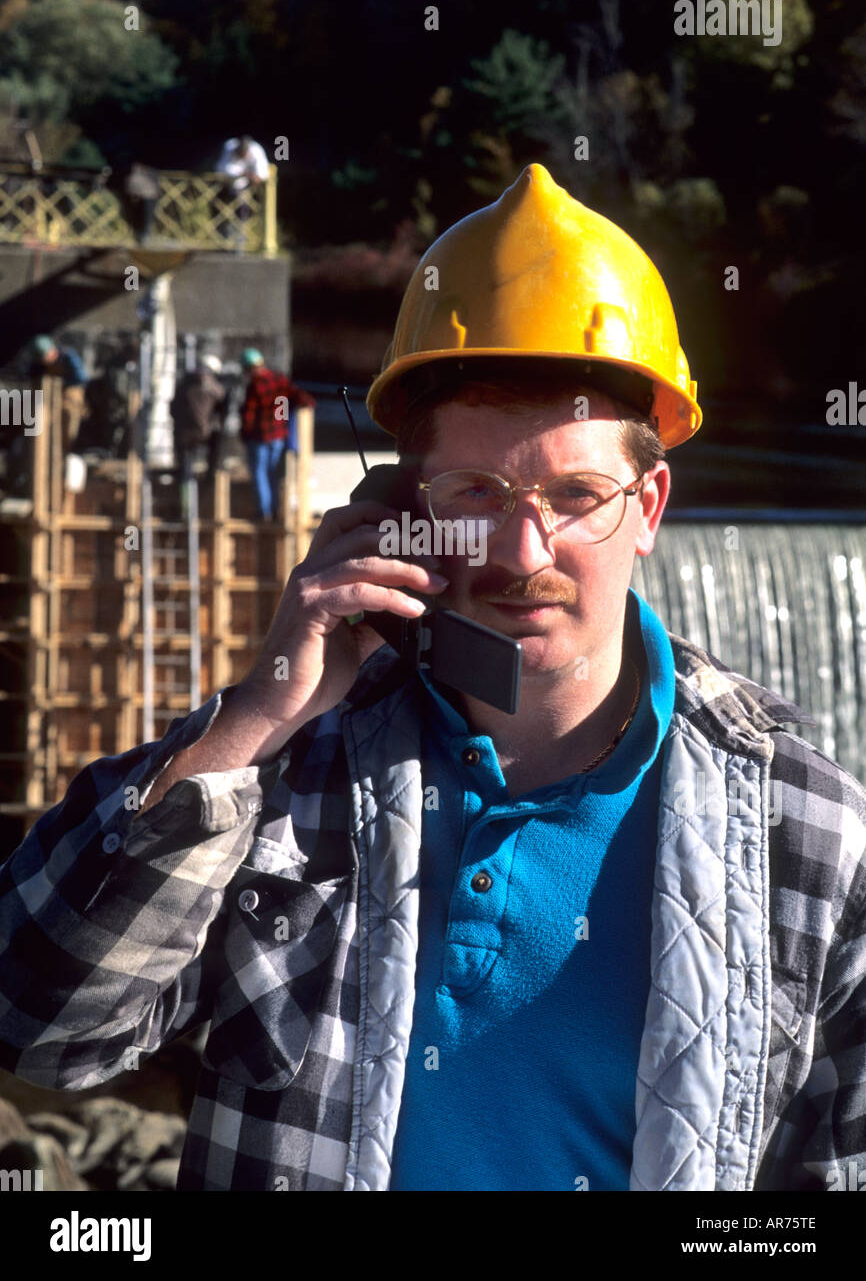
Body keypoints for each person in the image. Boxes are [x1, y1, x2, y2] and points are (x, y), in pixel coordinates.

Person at [0, 164, 863, 1193]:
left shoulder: (802, 832)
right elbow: (43, 1027)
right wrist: (261, 709)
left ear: (650, 505)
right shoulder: (284, 775)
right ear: (398, 503)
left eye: (577, 494)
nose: (520, 546)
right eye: (473, 491)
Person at [239, 347, 314, 521]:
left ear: (249, 368)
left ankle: (264, 511)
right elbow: (298, 395)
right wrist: (307, 404)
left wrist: (244, 434)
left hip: (260, 438)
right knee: (272, 473)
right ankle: (275, 509)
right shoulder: (279, 379)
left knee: (259, 473)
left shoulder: (254, 386)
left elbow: (249, 415)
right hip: (279, 436)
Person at [170, 354, 228, 483]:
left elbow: (173, 408)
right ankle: (211, 475)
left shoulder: (183, 384)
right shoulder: (215, 388)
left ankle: (184, 490)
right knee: (218, 440)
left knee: (185, 468)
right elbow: (223, 409)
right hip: (204, 432)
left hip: (182, 434)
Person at [215, 135, 270, 247]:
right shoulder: (229, 147)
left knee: (243, 213)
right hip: (227, 188)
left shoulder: (256, 150)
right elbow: (221, 169)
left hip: (247, 189)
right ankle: (225, 240)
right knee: (224, 214)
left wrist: (252, 176)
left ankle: (240, 243)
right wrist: (244, 174)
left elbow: (263, 173)